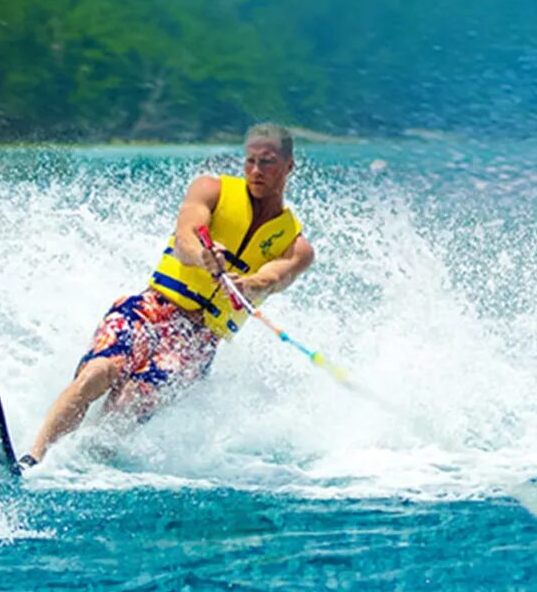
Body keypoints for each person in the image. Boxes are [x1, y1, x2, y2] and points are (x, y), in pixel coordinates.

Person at [19, 122, 315, 466]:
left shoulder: (297, 246)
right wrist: (203, 255)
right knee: (98, 372)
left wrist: (251, 284)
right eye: (250, 161)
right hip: (152, 308)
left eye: (267, 162)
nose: (255, 171)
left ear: (289, 166)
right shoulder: (211, 189)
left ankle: (78, 467)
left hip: (197, 340)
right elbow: (187, 235)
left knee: (126, 408)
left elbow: (275, 276)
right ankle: (32, 459)